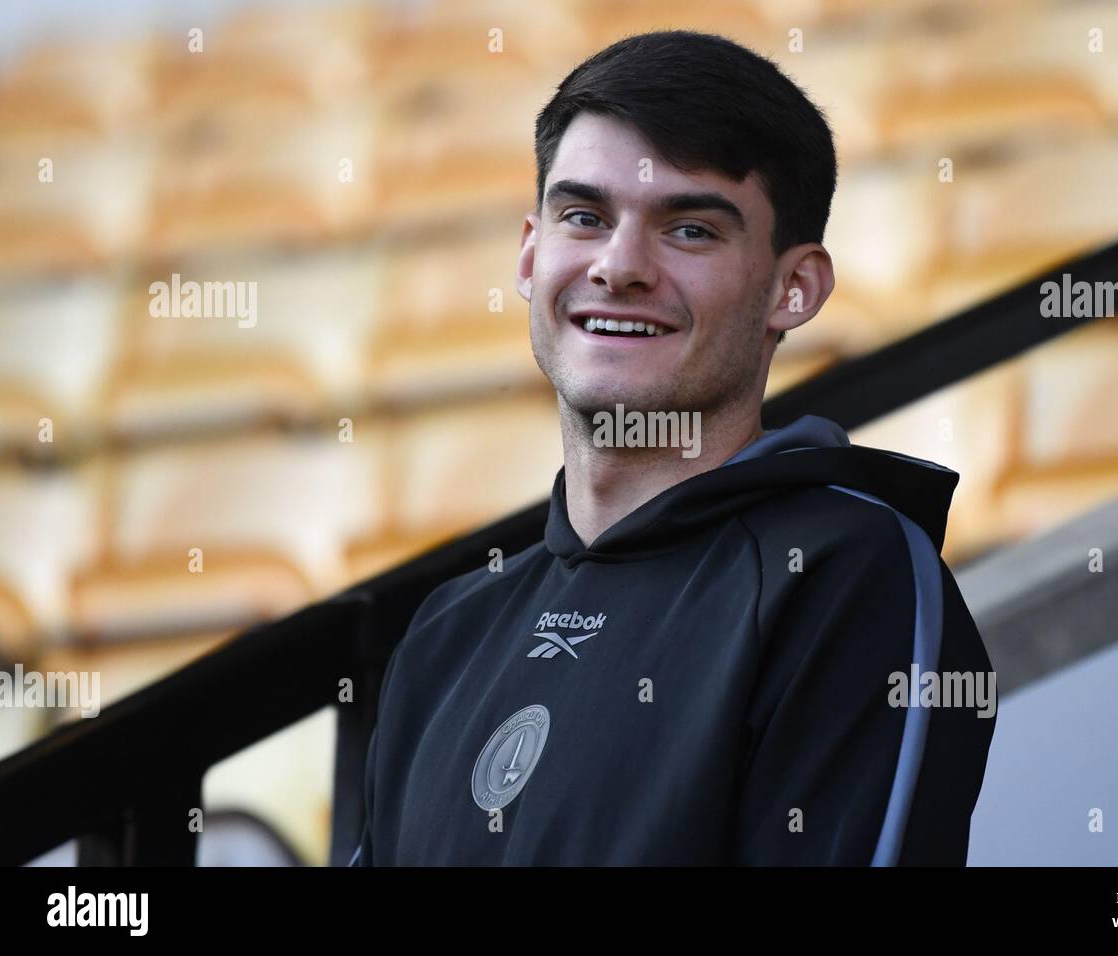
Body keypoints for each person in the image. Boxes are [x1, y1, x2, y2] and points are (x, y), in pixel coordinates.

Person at [350, 29, 995, 866]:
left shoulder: (844, 574)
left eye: (689, 230)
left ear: (792, 288)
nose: (619, 267)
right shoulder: (449, 629)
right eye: (583, 216)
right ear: (529, 252)